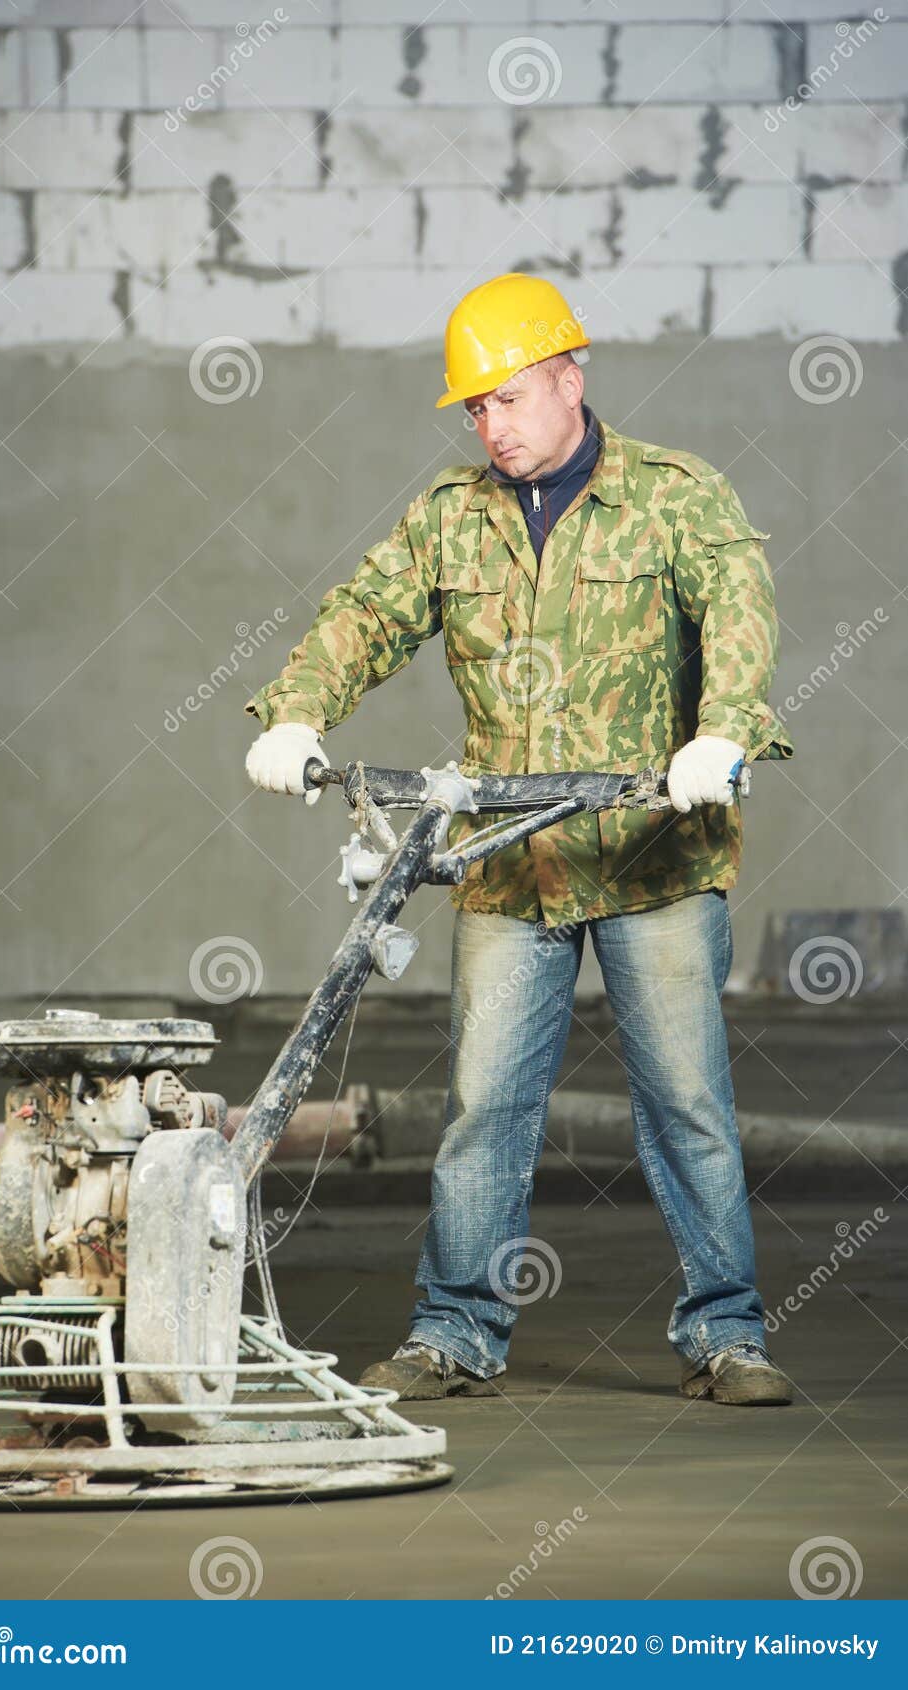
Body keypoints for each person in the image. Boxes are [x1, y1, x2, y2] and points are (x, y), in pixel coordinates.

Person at [244, 273, 795, 1408]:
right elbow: (367, 613)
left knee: (687, 1102)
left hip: (654, 856)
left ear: (569, 380)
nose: (490, 425)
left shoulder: (676, 498)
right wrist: (297, 709)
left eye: (506, 399)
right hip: (511, 858)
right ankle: (456, 1329)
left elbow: (742, 612)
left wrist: (724, 733)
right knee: (485, 1105)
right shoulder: (453, 514)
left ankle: (728, 1333)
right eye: (474, 409)